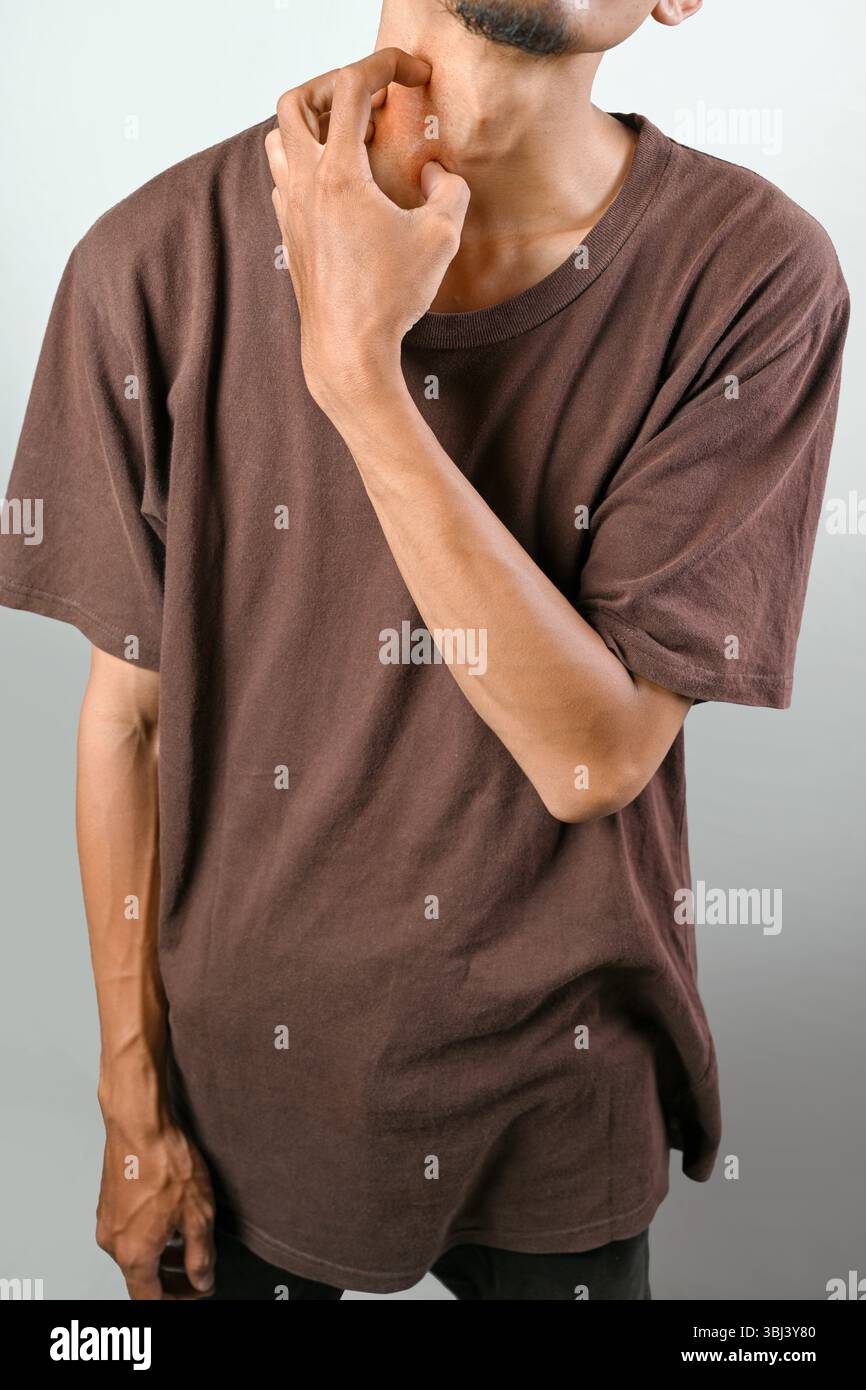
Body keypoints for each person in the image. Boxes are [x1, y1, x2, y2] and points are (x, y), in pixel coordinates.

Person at [0, 0, 849, 1301]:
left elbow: (591, 755)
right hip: (240, 1096)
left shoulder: (750, 278)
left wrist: (357, 376)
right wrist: (134, 1104)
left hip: (558, 1094)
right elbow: (129, 721)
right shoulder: (150, 258)